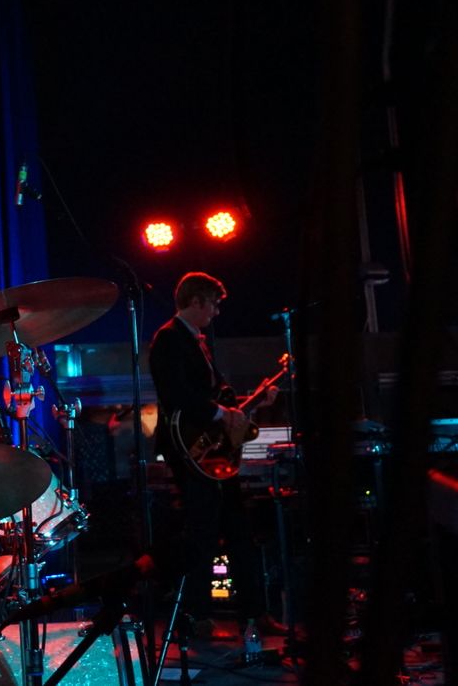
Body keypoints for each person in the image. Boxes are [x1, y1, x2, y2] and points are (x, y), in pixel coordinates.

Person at [148, 271, 284, 639]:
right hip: (189, 450)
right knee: (203, 532)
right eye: (213, 304)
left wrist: (248, 403)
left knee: (239, 530)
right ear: (195, 302)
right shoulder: (169, 339)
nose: (217, 312)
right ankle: (196, 615)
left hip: (213, 453)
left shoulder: (198, 341)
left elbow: (217, 398)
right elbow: (177, 393)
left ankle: (255, 613)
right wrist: (224, 414)